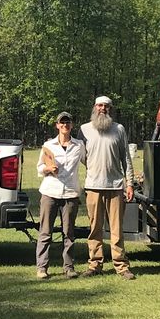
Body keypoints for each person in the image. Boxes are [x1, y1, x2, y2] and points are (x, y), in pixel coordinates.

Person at [79, 95, 135, 279]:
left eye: (106, 106)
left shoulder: (118, 129)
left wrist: (129, 183)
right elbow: (81, 156)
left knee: (116, 229)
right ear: (94, 108)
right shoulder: (84, 130)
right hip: (93, 186)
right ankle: (95, 265)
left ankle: (121, 265)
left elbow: (125, 158)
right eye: (99, 105)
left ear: (110, 109)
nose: (102, 108)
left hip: (116, 186)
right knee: (95, 228)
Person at [35, 111, 84, 280]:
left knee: (69, 233)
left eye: (68, 122)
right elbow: (39, 168)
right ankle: (42, 268)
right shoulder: (48, 145)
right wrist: (48, 169)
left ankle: (69, 267)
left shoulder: (79, 146)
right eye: (62, 122)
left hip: (70, 193)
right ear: (57, 125)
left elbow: (88, 162)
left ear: (72, 125)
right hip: (50, 192)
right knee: (45, 232)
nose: (65, 125)